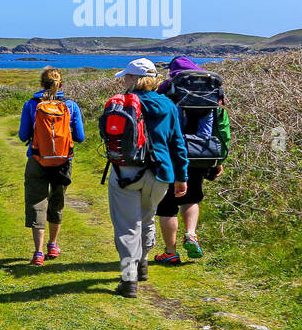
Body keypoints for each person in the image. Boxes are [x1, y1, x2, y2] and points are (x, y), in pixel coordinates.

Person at [101, 58, 189, 298]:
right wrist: (182, 176)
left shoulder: (123, 103)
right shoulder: (169, 105)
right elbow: (177, 143)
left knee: (127, 226)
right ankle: (144, 263)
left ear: (133, 79)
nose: (124, 80)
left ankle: (129, 280)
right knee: (147, 218)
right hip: (161, 174)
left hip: (125, 172)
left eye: (126, 77)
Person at [153, 56, 230, 264]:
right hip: (202, 152)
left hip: (171, 153)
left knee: (167, 204)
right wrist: (217, 158)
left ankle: (170, 252)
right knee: (192, 198)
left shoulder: (169, 86)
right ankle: (191, 234)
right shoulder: (211, 87)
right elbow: (219, 121)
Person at [18, 66, 85, 266]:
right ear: (61, 84)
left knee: (37, 202)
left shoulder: (31, 105)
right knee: (57, 200)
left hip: (37, 160)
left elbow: (22, 135)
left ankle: (38, 252)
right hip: (63, 161)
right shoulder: (71, 105)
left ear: (41, 84)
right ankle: (53, 245)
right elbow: (80, 137)